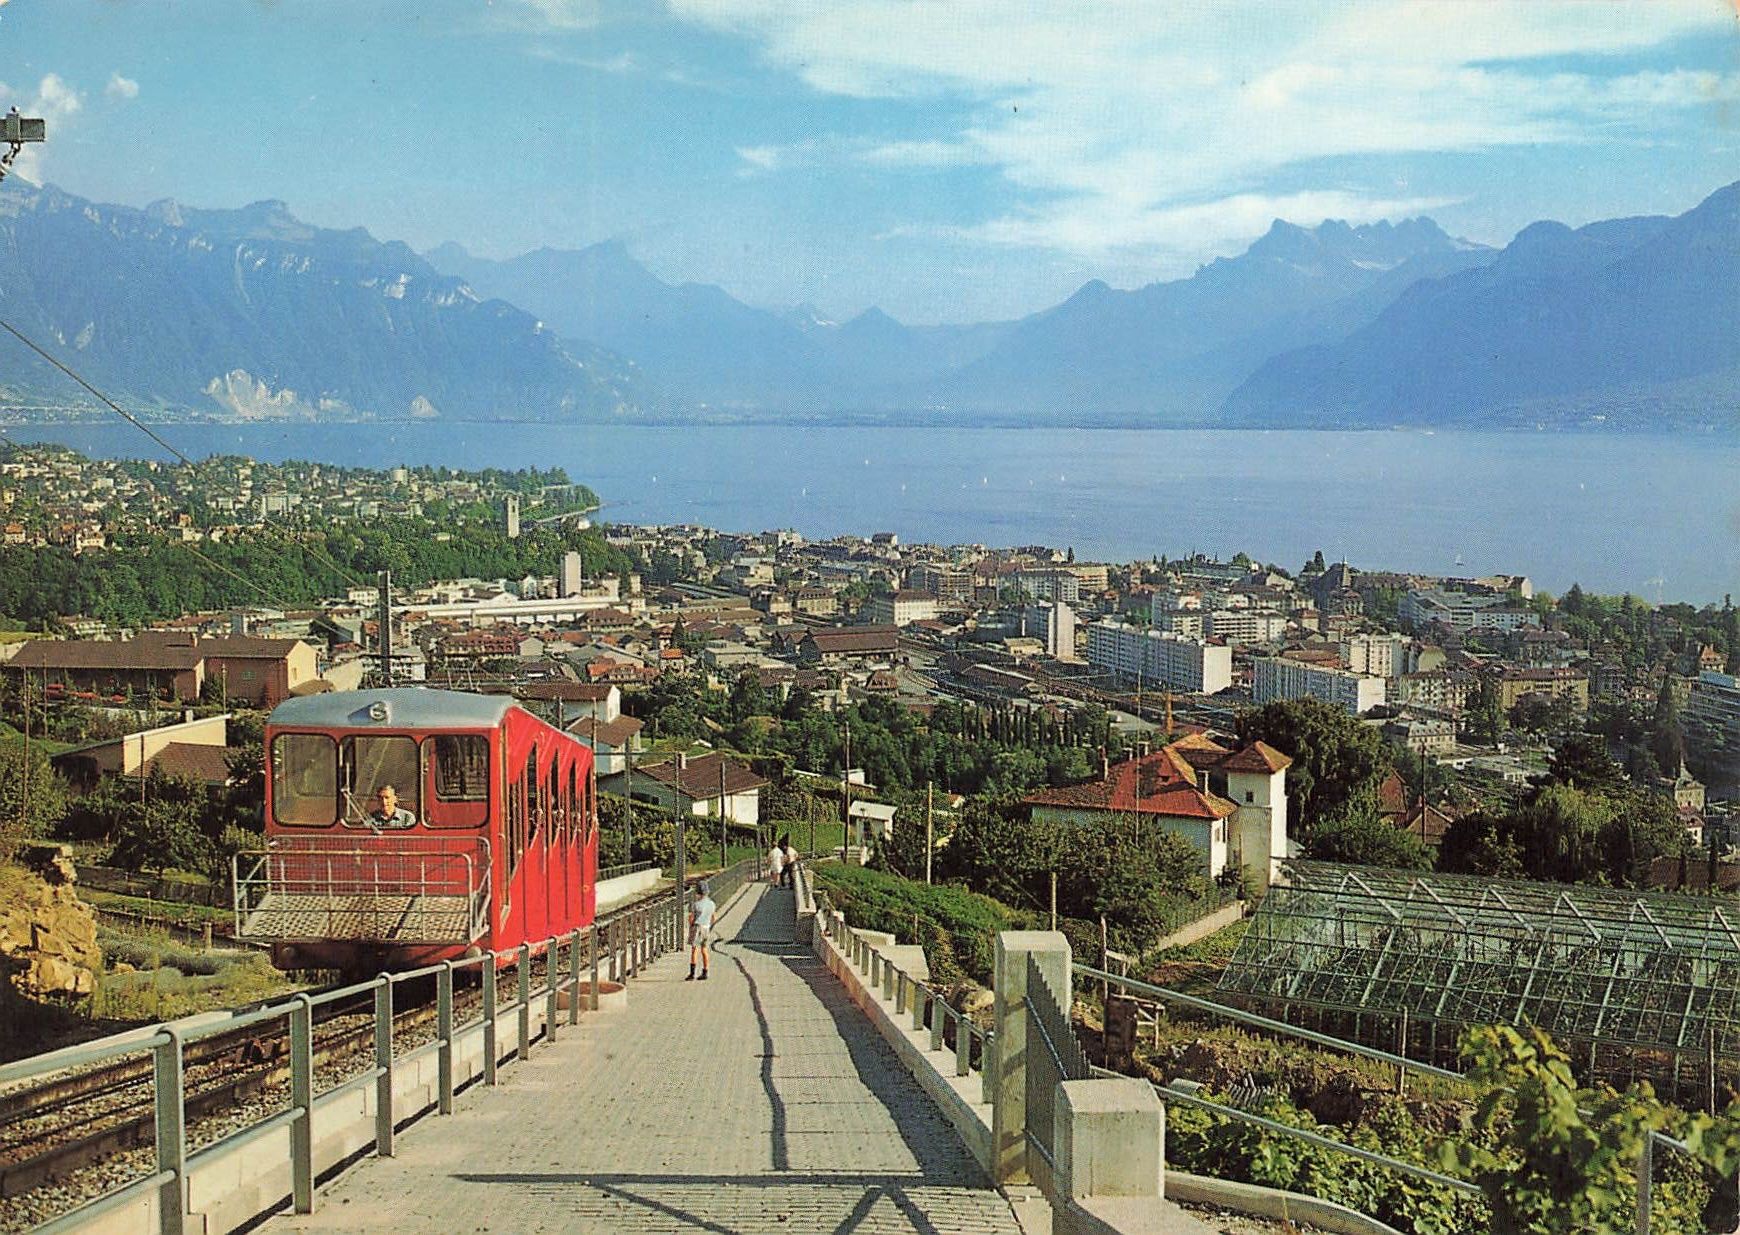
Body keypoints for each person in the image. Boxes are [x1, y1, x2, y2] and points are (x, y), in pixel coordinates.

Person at [687, 880, 716, 981]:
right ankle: (705, 971)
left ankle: (692, 973)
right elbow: (713, 917)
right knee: (704, 949)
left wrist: (691, 925)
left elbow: (691, 917)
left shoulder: (696, 905)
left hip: (697, 927)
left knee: (694, 949)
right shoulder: (712, 904)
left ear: (698, 893)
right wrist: (709, 925)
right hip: (706, 927)